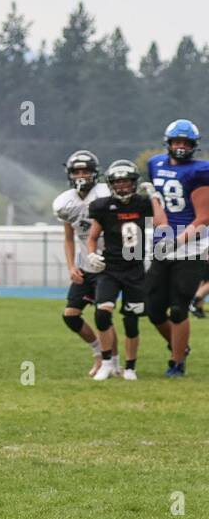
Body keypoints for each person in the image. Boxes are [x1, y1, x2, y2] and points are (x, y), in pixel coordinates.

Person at [85, 160, 162, 381]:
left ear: (134, 183)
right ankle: (107, 362)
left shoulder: (142, 203)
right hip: (110, 268)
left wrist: (155, 196)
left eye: (126, 182)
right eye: (117, 182)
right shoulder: (103, 206)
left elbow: (160, 223)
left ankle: (130, 367)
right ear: (111, 184)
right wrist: (92, 253)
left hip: (135, 269)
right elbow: (92, 237)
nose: (122, 187)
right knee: (102, 314)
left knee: (131, 320)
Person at [146, 118, 209, 377]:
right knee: (153, 308)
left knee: (179, 306)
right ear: (168, 143)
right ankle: (179, 346)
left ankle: (177, 362)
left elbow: (204, 218)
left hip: (190, 246)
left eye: (186, 142)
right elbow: (158, 203)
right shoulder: (154, 164)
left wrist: (178, 240)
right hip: (162, 243)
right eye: (177, 142)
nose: (181, 146)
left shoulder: (200, 171)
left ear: (193, 145)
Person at [52, 149, 108, 375]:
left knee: (103, 314)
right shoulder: (66, 202)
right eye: (77, 171)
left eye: (86, 170)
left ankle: (110, 361)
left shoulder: (105, 194)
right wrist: (71, 266)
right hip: (85, 266)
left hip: (108, 265)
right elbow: (69, 237)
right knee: (71, 315)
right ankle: (98, 353)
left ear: (95, 173)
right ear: (70, 174)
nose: (81, 175)